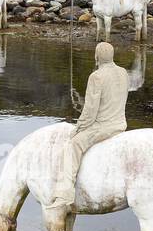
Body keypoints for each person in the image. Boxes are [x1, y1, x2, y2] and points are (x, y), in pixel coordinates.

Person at [51, 42, 130, 208]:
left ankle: (64, 194)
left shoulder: (96, 76)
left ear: (96, 56)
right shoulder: (124, 73)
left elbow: (90, 112)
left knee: (73, 145)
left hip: (104, 127)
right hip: (120, 124)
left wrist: (78, 128)